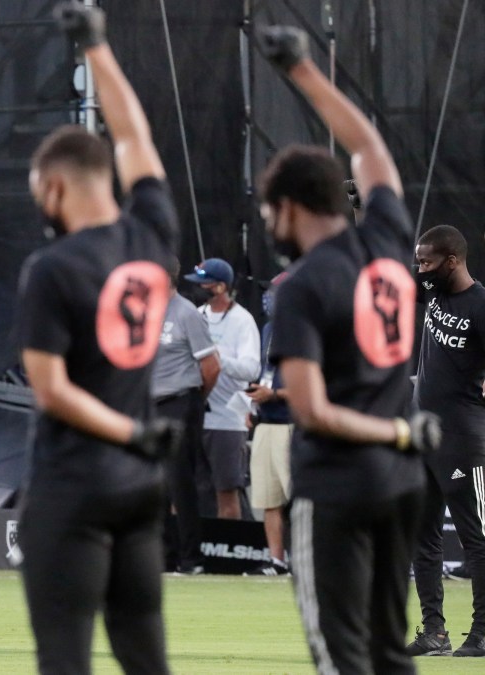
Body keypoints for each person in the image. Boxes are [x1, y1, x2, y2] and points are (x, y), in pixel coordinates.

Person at [258, 26, 441, 673]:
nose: (270, 227)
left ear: (291, 207)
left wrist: (394, 430)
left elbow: (311, 409)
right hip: (400, 485)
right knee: (392, 652)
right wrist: (303, 69)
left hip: (338, 486)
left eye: (269, 213)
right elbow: (368, 145)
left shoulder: (302, 285)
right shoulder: (392, 239)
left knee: (342, 657)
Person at [16, 5, 183, 673]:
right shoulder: (154, 234)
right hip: (141, 486)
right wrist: (98, 47)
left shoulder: (52, 268)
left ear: (54, 186)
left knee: (66, 658)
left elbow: (51, 389)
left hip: (73, 483)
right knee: (146, 654)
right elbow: (135, 136)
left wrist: (126, 431)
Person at [408, 224, 485, 658]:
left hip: (464, 440)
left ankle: (483, 631)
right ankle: (434, 632)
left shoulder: (480, 305)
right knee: (423, 536)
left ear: (452, 260)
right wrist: (362, 213)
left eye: (427, 262)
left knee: (477, 540)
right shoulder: (433, 293)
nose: (420, 269)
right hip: (423, 437)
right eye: (418, 261)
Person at [152, 257, 220, 575]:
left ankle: (191, 559)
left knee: (180, 482)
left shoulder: (186, 313)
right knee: (154, 486)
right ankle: (164, 558)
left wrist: (194, 400)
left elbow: (211, 366)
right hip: (150, 406)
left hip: (180, 402)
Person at [184, 257, 260, 519]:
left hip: (227, 420)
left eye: (203, 284)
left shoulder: (242, 320)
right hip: (196, 417)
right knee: (192, 490)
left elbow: (252, 369)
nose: (198, 288)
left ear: (220, 287)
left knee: (227, 493)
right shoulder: (196, 316)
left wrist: (216, 359)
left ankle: (230, 550)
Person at [244, 275, 292, 577]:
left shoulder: (308, 330)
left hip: (292, 422)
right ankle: (277, 560)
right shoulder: (268, 328)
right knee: (268, 497)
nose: (269, 297)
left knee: (298, 498)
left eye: (277, 292)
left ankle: (308, 560)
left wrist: (274, 394)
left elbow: (316, 386)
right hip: (266, 420)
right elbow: (267, 372)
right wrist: (254, 403)